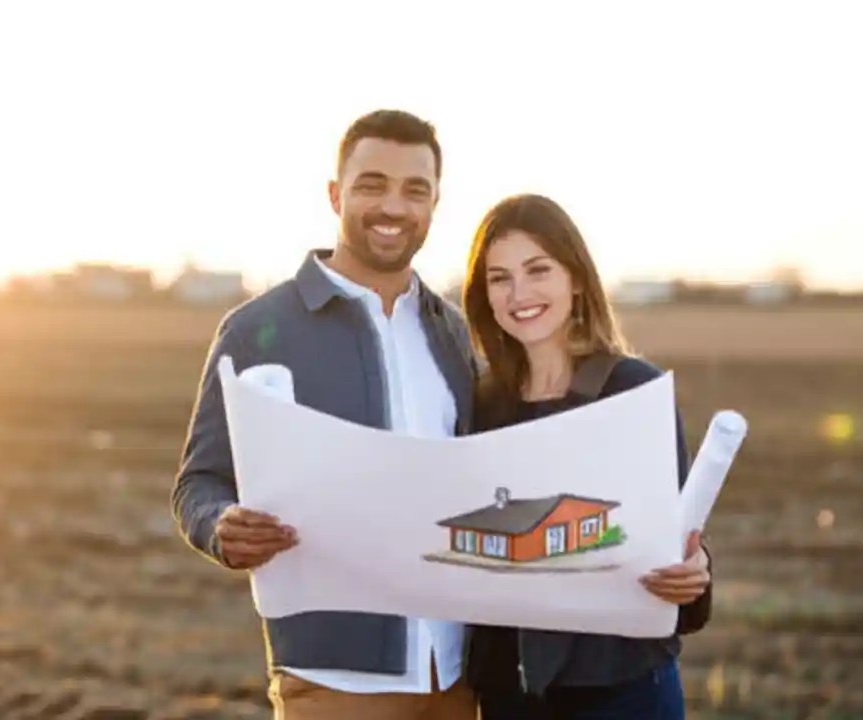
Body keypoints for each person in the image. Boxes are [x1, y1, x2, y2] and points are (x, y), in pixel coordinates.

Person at [171, 109, 479, 719]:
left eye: (414, 190)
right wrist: (220, 526)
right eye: (372, 185)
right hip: (331, 681)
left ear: (435, 204)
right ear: (336, 195)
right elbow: (198, 483)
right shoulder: (257, 329)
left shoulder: (457, 336)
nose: (394, 206)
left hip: (458, 677)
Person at [458, 193, 713, 719]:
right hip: (510, 692)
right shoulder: (480, 402)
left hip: (622, 685)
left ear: (575, 278)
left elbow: (678, 534)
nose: (519, 293)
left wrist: (695, 569)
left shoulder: (631, 391)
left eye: (537, 270)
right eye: (500, 278)